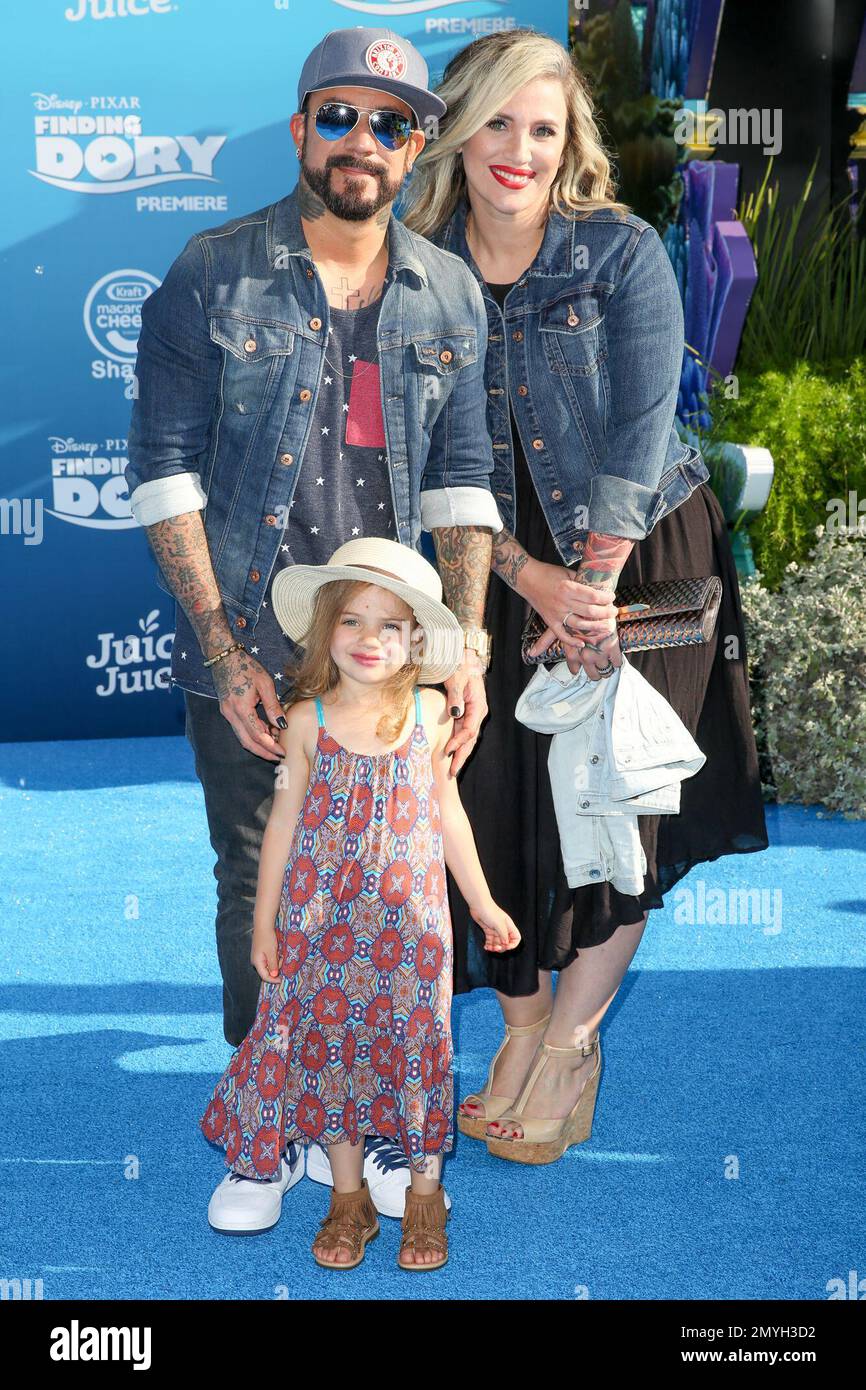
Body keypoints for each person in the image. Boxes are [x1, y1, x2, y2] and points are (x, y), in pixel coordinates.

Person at [124, 26, 504, 1224]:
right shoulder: (211, 271)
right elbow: (165, 475)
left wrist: (467, 647)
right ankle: (273, 1119)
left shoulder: (446, 289)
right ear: (298, 129)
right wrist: (226, 652)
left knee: (396, 887)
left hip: (396, 652)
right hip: (252, 631)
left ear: (414, 146)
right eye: (337, 115)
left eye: (388, 122)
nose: (361, 141)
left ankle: (390, 1124)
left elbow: (462, 480)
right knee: (263, 877)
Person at [401, 27, 769, 1163]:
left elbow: (640, 427)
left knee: (615, 812)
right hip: (494, 569)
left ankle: (569, 1043)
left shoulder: (616, 252)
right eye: (497, 123)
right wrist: (524, 576)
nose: (518, 149)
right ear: (458, 133)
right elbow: (424, 461)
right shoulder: (413, 269)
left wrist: (593, 587)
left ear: (571, 146)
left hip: (640, 556)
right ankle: (515, 1028)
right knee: (501, 812)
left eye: (543, 127)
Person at [200, 538, 519, 1269]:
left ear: (418, 639)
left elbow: (449, 818)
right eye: (351, 621)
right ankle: (347, 1203)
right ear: (324, 631)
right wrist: (263, 922)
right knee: (329, 1050)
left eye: (390, 624)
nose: (369, 639)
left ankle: (423, 1199)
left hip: (413, 932)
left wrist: (484, 903)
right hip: (320, 927)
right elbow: (280, 824)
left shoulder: (433, 714)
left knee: (418, 1053)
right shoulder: (306, 721)